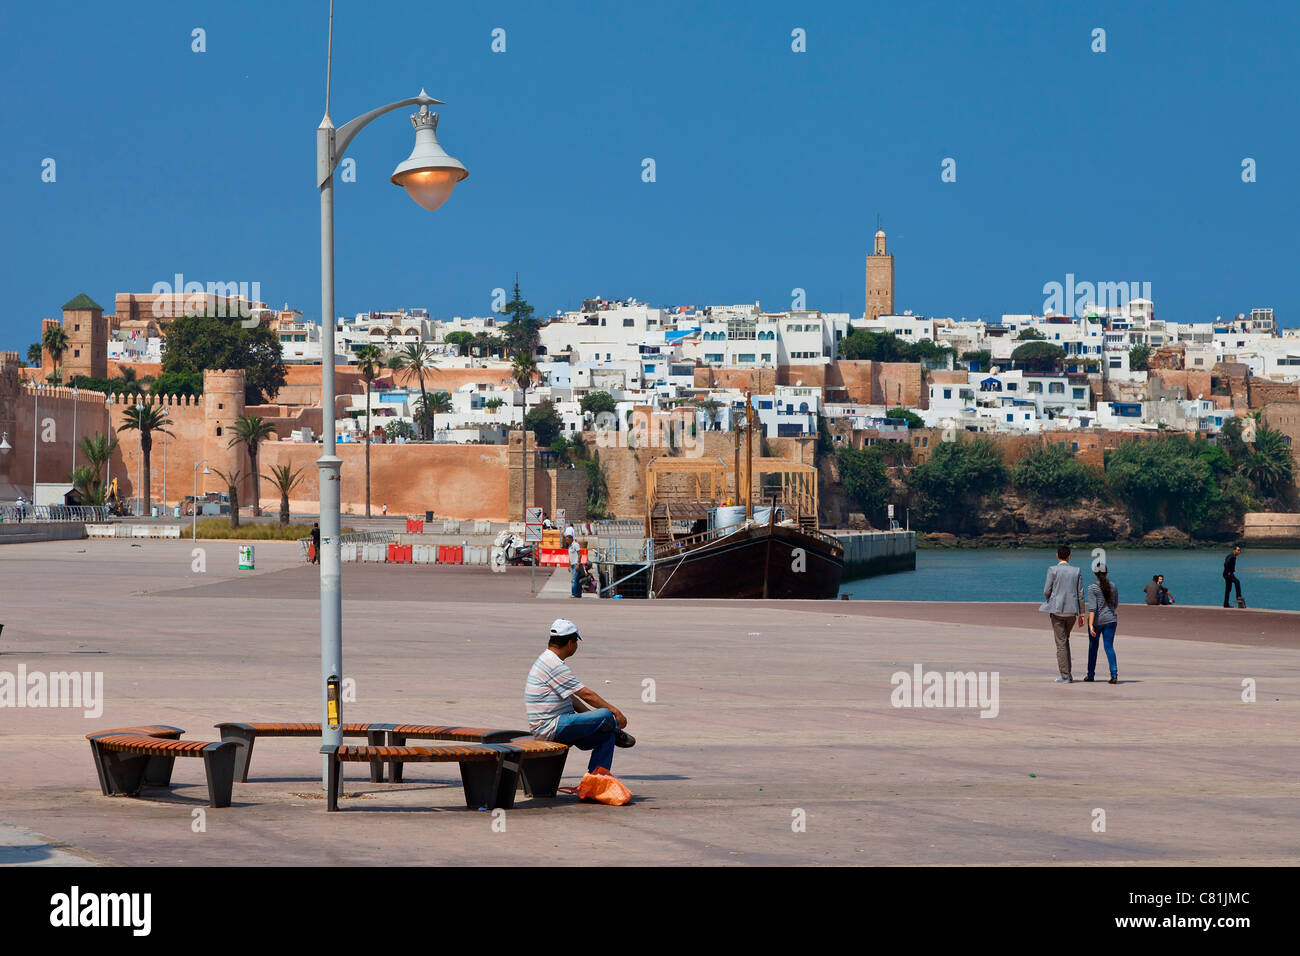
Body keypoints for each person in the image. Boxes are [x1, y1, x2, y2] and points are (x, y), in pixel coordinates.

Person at [524, 619, 635, 774]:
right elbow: (586, 694)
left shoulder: (548, 660)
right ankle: (615, 729)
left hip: (561, 724)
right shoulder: (553, 664)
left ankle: (597, 780)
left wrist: (591, 718)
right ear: (570, 643)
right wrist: (615, 712)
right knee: (605, 714)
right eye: (576, 642)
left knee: (606, 736)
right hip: (551, 728)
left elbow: (572, 698)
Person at [1040, 544, 1085, 683]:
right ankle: (1068, 673)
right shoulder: (1076, 571)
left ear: (1057, 556)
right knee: (1065, 641)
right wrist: (1082, 613)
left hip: (1057, 611)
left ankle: (1065, 676)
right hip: (1072, 611)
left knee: (1061, 643)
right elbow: (1080, 594)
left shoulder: (1052, 570)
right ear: (1069, 556)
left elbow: (1046, 590)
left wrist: (1050, 599)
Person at [1085, 565, 1120, 684]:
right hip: (1111, 620)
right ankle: (1114, 674)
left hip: (1097, 622)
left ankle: (1090, 675)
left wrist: (1090, 625)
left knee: (1093, 648)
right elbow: (1115, 604)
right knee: (1109, 647)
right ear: (1107, 573)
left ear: (1095, 574)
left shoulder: (1092, 588)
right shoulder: (1113, 586)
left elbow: (1092, 608)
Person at [567, 531, 583, 598]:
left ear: (571, 539)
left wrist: (578, 564)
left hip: (576, 564)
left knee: (574, 580)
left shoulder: (575, 545)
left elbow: (580, 555)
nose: (566, 541)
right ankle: (578, 594)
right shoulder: (570, 546)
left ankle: (574, 594)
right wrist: (569, 565)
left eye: (567, 539)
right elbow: (570, 556)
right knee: (577, 580)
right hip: (572, 564)